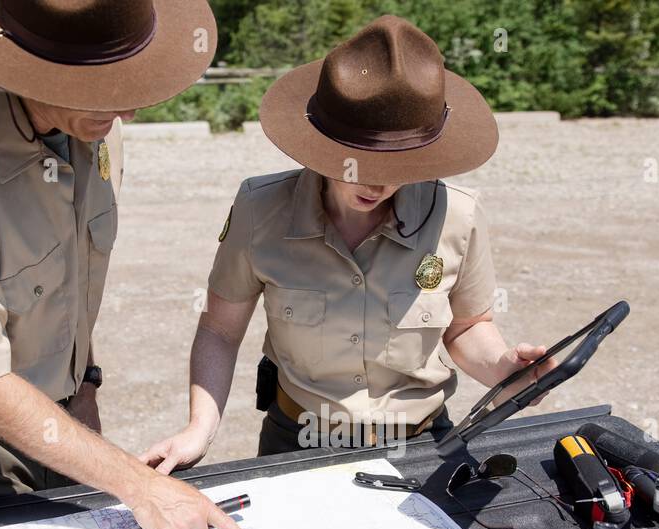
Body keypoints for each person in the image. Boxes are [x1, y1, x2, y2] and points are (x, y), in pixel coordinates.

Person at [0, 0, 249, 529]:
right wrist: (140, 487)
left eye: (129, 81)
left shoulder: (95, 125)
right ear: (28, 66)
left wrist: (83, 383)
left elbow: (69, 278)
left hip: (57, 419)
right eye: (103, 88)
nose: (127, 112)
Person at [142, 15, 556, 470]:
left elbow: (466, 327)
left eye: (399, 164)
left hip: (420, 447)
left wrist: (504, 369)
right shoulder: (261, 210)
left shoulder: (457, 214)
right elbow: (221, 330)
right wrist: (199, 430)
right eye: (357, 159)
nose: (377, 182)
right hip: (298, 442)